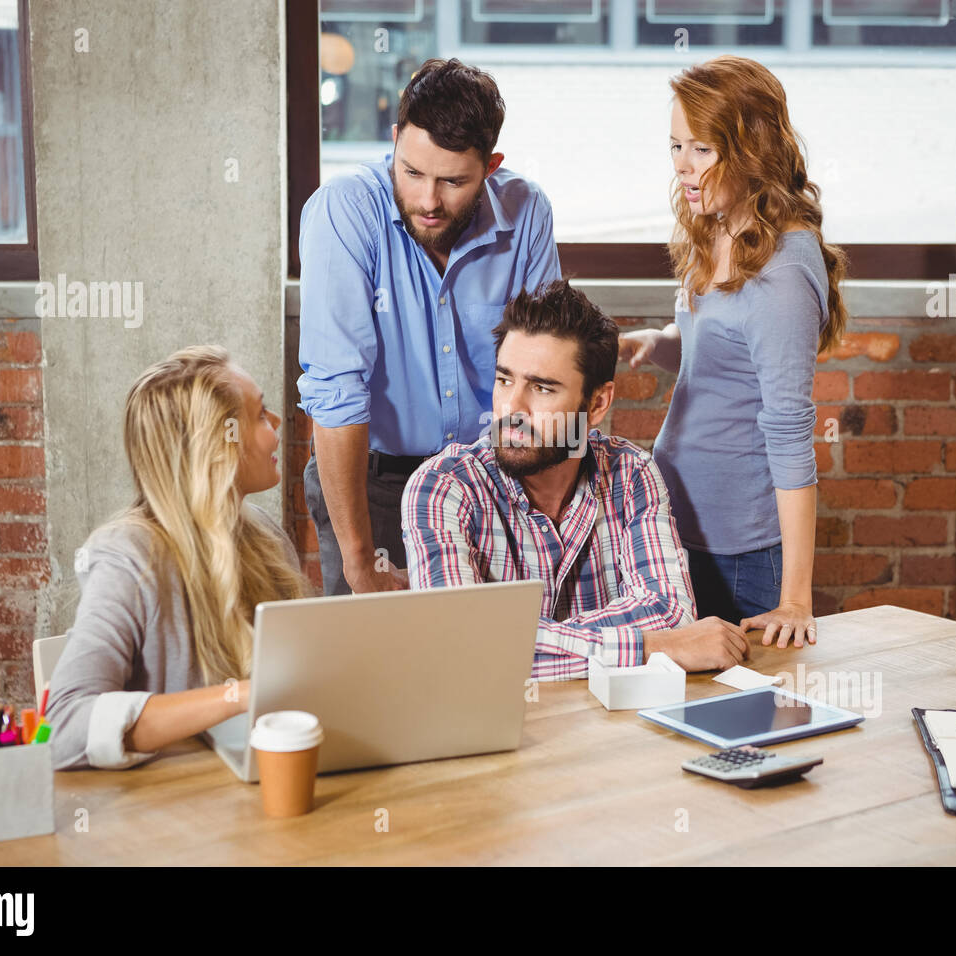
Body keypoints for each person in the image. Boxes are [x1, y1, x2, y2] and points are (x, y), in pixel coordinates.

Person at [298, 57, 560, 597]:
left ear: (491, 167)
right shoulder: (343, 212)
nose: (427, 201)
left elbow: (547, 369)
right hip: (372, 483)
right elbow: (336, 392)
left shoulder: (527, 211)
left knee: (487, 661)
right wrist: (360, 562)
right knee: (373, 668)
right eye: (412, 171)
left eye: (453, 181)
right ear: (395, 139)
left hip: (490, 479)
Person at [403, 279, 750, 680]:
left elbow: (669, 610)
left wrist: (519, 645)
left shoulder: (631, 473)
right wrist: (653, 647)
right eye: (504, 380)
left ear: (597, 403)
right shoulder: (442, 487)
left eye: (541, 388)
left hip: (611, 729)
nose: (512, 408)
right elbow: (462, 645)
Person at [619, 56, 850, 650]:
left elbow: (791, 434)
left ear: (751, 149)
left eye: (701, 150)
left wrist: (795, 598)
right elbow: (721, 359)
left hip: (741, 553)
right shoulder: (716, 224)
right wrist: (660, 344)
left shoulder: (784, 271)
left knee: (750, 728)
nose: (683, 167)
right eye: (676, 146)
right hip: (677, 526)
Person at [49, 347, 312, 770]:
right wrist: (239, 696)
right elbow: (61, 727)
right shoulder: (128, 558)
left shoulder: (263, 533)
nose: (278, 423)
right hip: (162, 813)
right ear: (219, 442)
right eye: (261, 414)